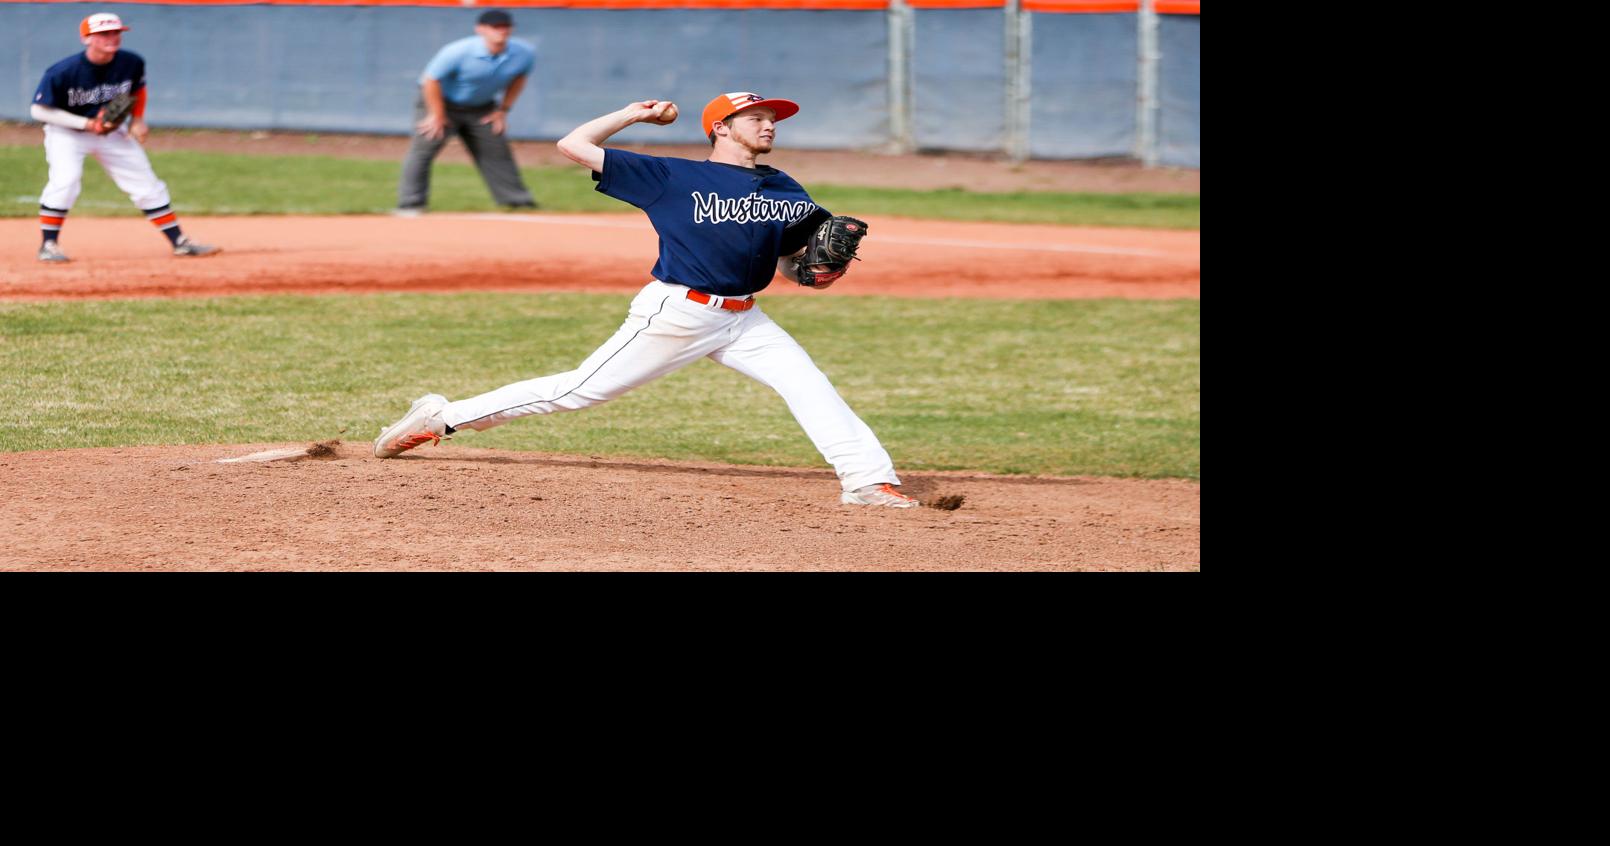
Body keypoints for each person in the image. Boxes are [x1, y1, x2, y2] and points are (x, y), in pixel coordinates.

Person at [373, 92, 920, 508]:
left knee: (810, 386)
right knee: (580, 390)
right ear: (722, 128)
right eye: (756, 117)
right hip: (678, 312)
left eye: (772, 118)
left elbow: (790, 260)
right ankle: (442, 417)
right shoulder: (670, 176)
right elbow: (574, 146)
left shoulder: (785, 188)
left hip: (745, 318)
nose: (769, 124)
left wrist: (815, 271)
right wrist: (633, 114)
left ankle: (867, 482)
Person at [30, 12, 218, 263]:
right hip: (68, 133)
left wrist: (137, 120)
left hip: (110, 132)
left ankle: (180, 242)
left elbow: (137, 90)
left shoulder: (131, 62)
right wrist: (85, 123)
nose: (112, 38)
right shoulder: (63, 71)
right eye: (104, 34)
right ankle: (48, 246)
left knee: (145, 182)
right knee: (66, 181)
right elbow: (38, 110)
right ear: (86, 38)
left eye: (116, 32)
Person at [395, 9, 538, 215]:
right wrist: (436, 114)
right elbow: (430, 80)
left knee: (497, 151)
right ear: (480, 29)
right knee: (423, 149)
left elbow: (519, 78)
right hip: (441, 104)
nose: (501, 31)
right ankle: (410, 204)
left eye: (505, 26)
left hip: (482, 108)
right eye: (495, 27)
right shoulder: (458, 51)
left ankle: (517, 202)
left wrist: (503, 110)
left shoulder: (524, 52)